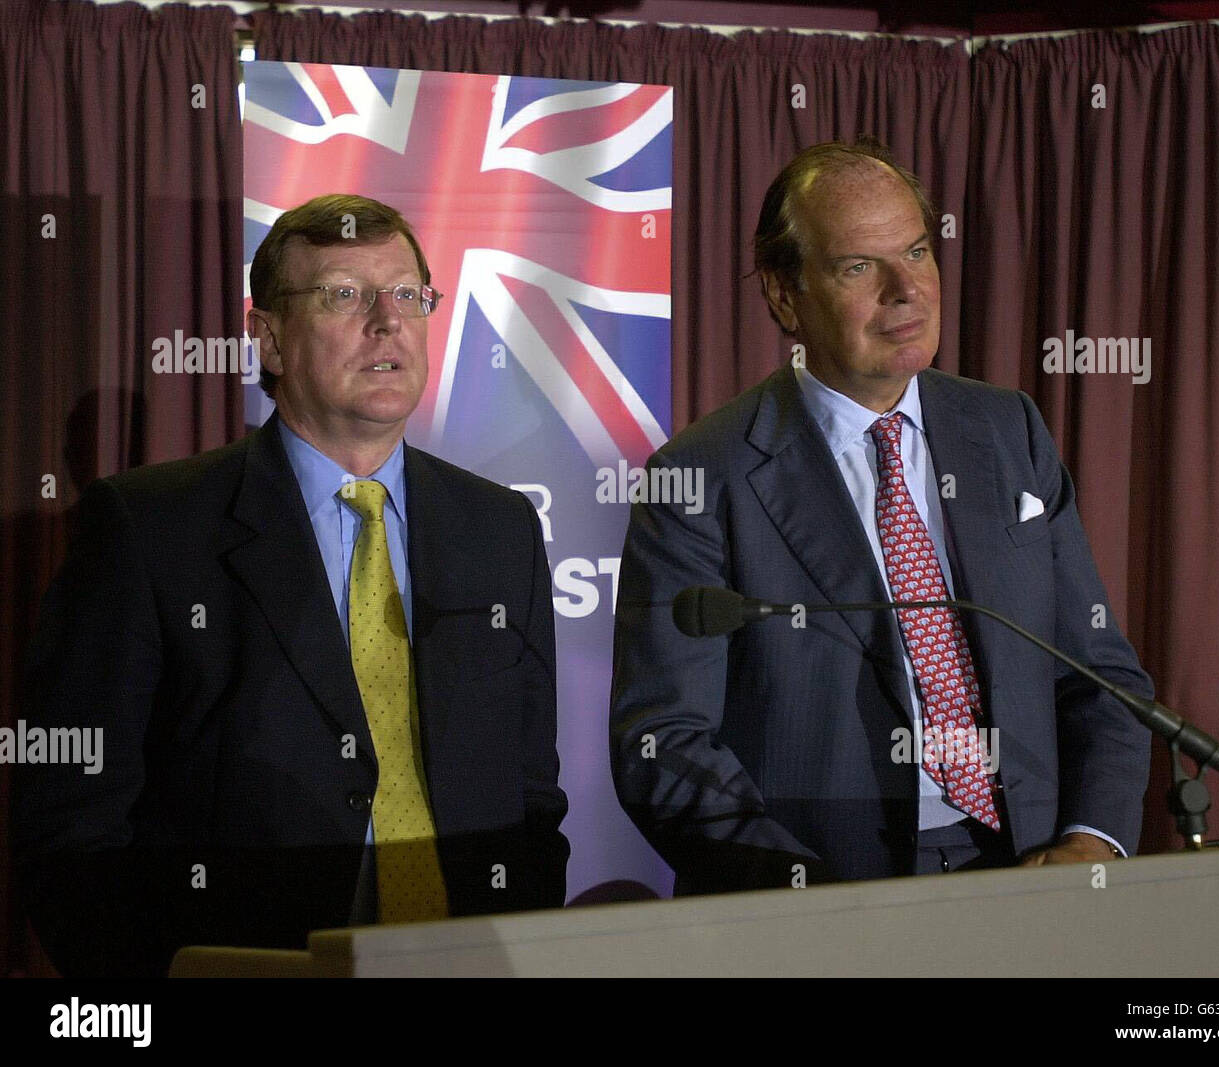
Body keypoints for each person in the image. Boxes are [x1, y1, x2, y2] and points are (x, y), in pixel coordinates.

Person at [15, 194, 568, 977]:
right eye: (345, 294)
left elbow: (532, 801)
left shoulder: (500, 526)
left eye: (408, 294)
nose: (387, 321)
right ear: (268, 336)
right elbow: (72, 826)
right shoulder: (150, 528)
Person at [610, 139, 1152, 893]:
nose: (907, 289)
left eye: (919, 251)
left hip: (1032, 875)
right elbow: (665, 742)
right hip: (822, 902)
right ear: (783, 294)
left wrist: (1091, 842)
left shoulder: (1010, 430)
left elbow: (1103, 677)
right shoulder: (701, 477)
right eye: (859, 266)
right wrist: (805, 893)